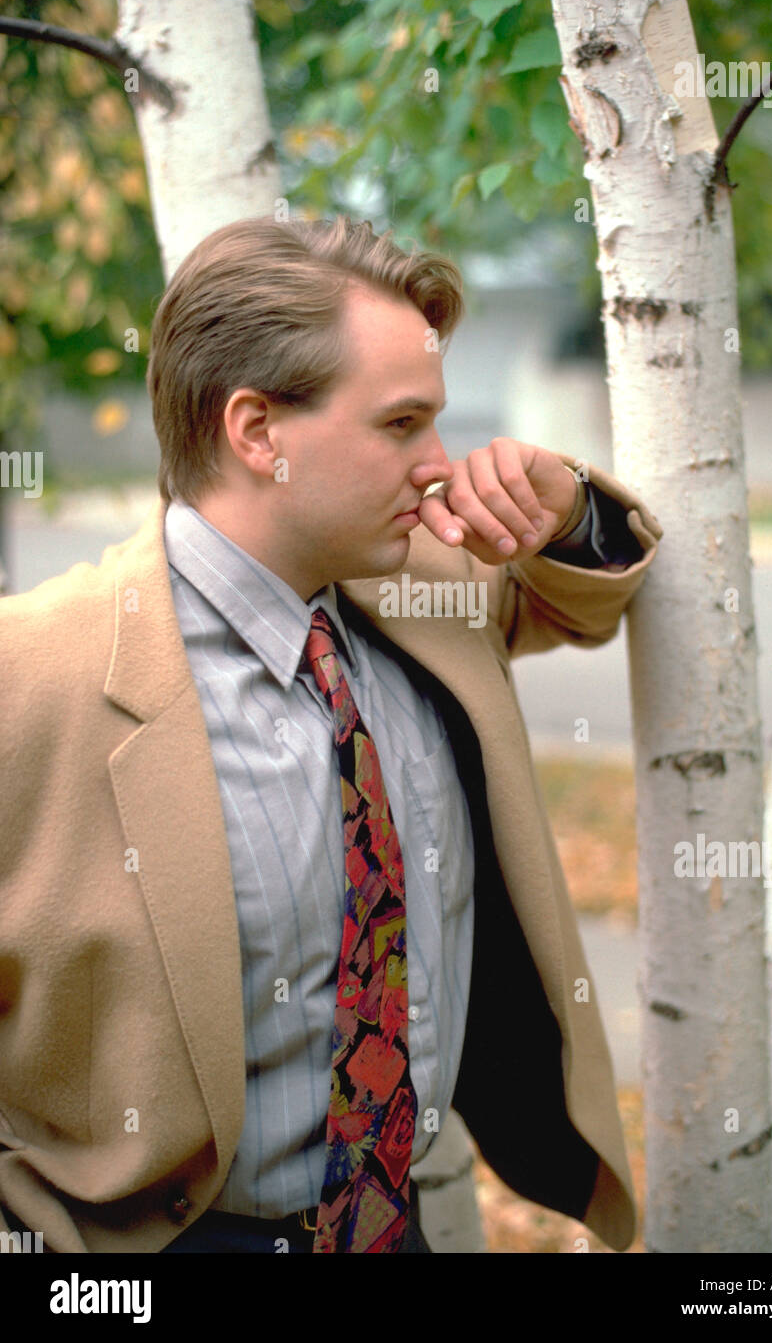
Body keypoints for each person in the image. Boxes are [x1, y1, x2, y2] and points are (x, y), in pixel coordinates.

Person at [0, 214, 663, 1254]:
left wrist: (565, 505)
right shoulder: (31, 674)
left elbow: (582, 598)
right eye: (401, 425)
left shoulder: (427, 590)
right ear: (258, 432)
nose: (439, 465)